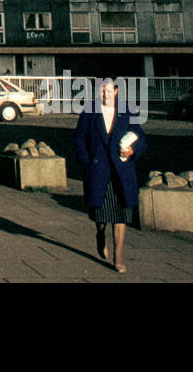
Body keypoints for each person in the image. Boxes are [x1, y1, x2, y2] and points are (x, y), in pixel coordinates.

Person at [72, 78, 147, 273]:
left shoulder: (127, 110)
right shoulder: (90, 112)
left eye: (108, 91)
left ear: (115, 91)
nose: (104, 94)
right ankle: (100, 234)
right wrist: (87, 162)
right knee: (101, 215)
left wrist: (133, 151)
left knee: (120, 214)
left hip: (121, 172)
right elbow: (79, 138)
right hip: (99, 170)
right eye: (101, 91)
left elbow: (140, 135)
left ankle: (118, 257)